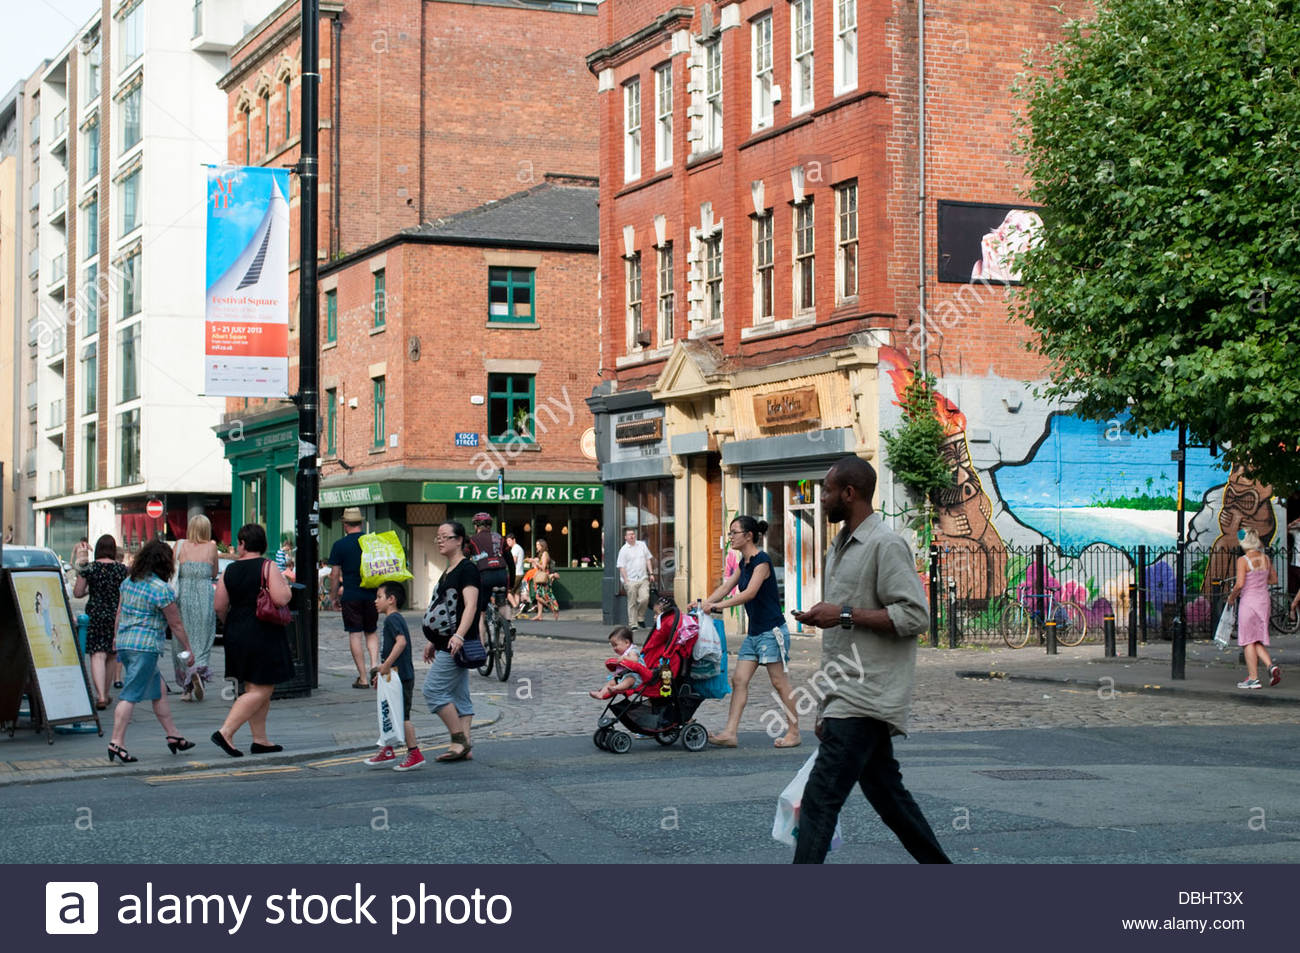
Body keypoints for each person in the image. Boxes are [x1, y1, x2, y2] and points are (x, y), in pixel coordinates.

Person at [788, 456, 950, 864]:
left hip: (866, 696)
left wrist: (840, 614)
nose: (821, 499)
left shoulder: (885, 544)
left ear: (849, 493)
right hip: (848, 692)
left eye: (826, 491)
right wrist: (826, 701)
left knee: (820, 800)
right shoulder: (840, 546)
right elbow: (846, 633)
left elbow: (915, 616)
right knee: (890, 799)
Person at [701, 516, 801, 749]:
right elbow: (727, 587)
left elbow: (749, 593)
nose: (731, 537)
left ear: (748, 535)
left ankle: (794, 732)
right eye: (730, 532)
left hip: (771, 631)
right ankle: (730, 733)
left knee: (779, 682)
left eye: (734, 532)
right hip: (755, 634)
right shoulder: (743, 563)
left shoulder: (761, 561)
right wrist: (703, 604)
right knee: (739, 680)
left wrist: (717, 607)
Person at [107, 540, 197, 763]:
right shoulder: (162, 590)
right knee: (129, 695)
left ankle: (173, 735)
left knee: (159, 691)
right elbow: (175, 624)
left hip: (127, 644)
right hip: (145, 647)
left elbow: (119, 612)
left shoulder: (129, 582)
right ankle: (116, 742)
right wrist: (188, 648)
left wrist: (115, 638)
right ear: (165, 563)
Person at [211, 523, 294, 757]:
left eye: (238, 542)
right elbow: (280, 599)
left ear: (244, 544)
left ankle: (260, 740)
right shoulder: (267, 567)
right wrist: (287, 590)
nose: (237, 546)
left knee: (252, 687)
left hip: (236, 630)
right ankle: (225, 732)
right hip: (262, 631)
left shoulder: (230, 570)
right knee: (263, 688)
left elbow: (219, 605)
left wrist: (232, 621)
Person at [421, 521, 480, 762]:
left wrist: (458, 636)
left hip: (457, 644)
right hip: (446, 642)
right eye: (438, 537)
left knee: (433, 691)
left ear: (459, 541)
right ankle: (465, 747)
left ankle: (458, 740)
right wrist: (434, 640)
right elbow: (445, 608)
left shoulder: (467, 569)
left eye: (445, 537)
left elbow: (471, 605)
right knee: (460, 696)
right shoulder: (449, 570)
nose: (440, 541)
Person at [365, 581, 424, 771]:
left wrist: (385, 666)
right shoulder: (392, 619)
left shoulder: (393, 619)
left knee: (402, 716)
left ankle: (414, 753)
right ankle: (387, 749)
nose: (375, 601)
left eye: (379, 597)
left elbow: (401, 643)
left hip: (400, 676)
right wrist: (382, 674)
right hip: (392, 676)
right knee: (388, 712)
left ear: (391, 600)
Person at [74, 534, 129, 709]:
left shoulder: (89, 569)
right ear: (113, 550)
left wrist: (91, 590)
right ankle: (105, 693)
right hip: (115, 615)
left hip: (95, 613)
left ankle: (100, 696)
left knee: (97, 655)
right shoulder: (122, 570)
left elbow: (77, 592)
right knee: (112, 654)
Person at [329, 507, 379, 688]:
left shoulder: (340, 545)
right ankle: (375, 666)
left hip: (351, 595)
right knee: (371, 631)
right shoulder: (372, 542)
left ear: (345, 524)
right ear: (361, 522)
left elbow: (334, 575)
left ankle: (364, 678)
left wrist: (333, 596)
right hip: (372, 594)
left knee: (355, 635)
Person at [173, 515, 220, 702]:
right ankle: (198, 670)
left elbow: (172, 571)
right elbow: (214, 572)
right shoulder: (212, 547)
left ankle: (186, 690)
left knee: (181, 640)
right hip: (204, 596)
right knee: (203, 638)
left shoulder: (179, 546)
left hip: (182, 596)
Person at [1228, 527, 1281, 690]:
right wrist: (1260, 580)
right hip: (1263, 601)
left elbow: (1240, 584)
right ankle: (1271, 666)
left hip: (1249, 602)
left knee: (1247, 640)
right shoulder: (1265, 559)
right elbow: (1274, 580)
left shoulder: (1243, 561)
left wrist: (1231, 597)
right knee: (1256, 638)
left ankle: (1253, 678)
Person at [468, 512, 514, 636]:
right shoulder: (500, 538)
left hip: (484, 576)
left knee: (481, 614)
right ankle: (509, 624)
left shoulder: (472, 540)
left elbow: (465, 561)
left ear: (476, 526)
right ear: (490, 525)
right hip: (501, 574)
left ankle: (482, 648)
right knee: (502, 603)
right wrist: (512, 584)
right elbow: (510, 562)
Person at [617, 528, 656, 630]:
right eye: (629, 535)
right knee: (632, 602)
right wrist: (626, 581)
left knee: (644, 598)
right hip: (630, 580)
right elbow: (621, 566)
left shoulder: (642, 545)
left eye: (633, 534)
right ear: (625, 537)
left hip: (643, 578)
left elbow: (648, 559)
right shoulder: (623, 550)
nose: (632, 536)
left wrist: (651, 573)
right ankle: (633, 624)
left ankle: (640, 617)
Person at [589, 626, 642, 699]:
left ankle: (615, 688)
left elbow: (634, 660)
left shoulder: (632, 651)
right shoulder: (625, 652)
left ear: (627, 642)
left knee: (629, 680)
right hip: (623, 676)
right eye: (613, 646)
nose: (614, 648)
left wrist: (624, 658)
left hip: (637, 677)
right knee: (611, 681)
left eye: (616, 645)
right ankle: (601, 693)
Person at [531, 539, 560, 622]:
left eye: (537, 545)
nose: (536, 546)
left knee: (545, 595)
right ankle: (539, 615)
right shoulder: (541, 554)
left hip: (544, 577)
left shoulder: (544, 554)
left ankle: (554, 608)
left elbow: (543, 567)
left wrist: (535, 562)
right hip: (541, 577)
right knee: (539, 596)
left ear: (542, 546)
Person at [505, 532, 526, 611]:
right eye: (507, 541)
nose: (508, 543)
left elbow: (513, 560)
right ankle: (518, 610)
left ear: (514, 540)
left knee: (508, 592)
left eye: (509, 540)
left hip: (516, 574)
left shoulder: (515, 548)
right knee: (517, 592)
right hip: (520, 573)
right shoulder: (519, 548)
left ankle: (515, 607)